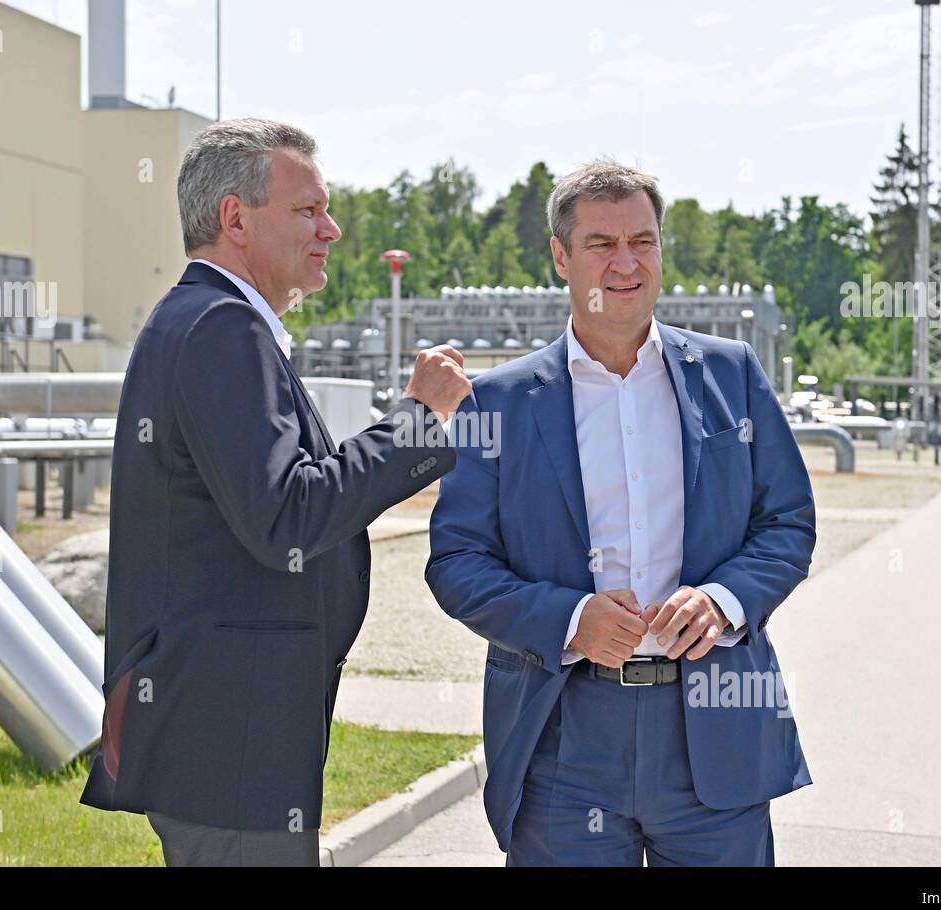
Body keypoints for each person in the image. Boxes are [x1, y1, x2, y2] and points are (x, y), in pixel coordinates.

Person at [80, 118, 472, 866]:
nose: (331, 229)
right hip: (230, 739)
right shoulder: (222, 328)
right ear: (235, 218)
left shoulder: (203, 322)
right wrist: (418, 421)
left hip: (227, 733)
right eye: (307, 210)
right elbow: (287, 516)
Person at [426, 159, 816, 866]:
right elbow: (456, 561)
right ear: (560, 256)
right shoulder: (499, 402)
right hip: (565, 743)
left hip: (714, 740)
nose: (626, 263)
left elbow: (788, 522)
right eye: (602, 245)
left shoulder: (734, 376)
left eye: (643, 241)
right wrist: (571, 619)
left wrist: (724, 601)